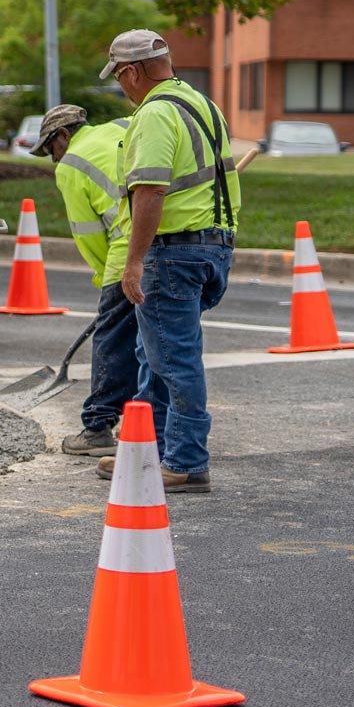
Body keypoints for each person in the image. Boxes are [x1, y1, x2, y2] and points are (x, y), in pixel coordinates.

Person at [97, 29, 242, 495]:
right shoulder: (203, 105)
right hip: (210, 246)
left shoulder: (156, 113)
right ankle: (147, 449)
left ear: (132, 72)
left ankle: (184, 461)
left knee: (174, 359)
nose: (123, 87)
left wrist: (133, 261)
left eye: (120, 78)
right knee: (154, 353)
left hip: (173, 251)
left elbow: (151, 190)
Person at [32, 104, 138, 455]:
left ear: (64, 135)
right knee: (152, 341)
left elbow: (88, 234)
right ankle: (150, 424)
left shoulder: (71, 166)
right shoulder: (120, 126)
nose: (52, 159)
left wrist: (106, 279)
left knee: (111, 338)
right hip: (168, 239)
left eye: (50, 148)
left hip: (125, 249)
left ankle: (97, 428)